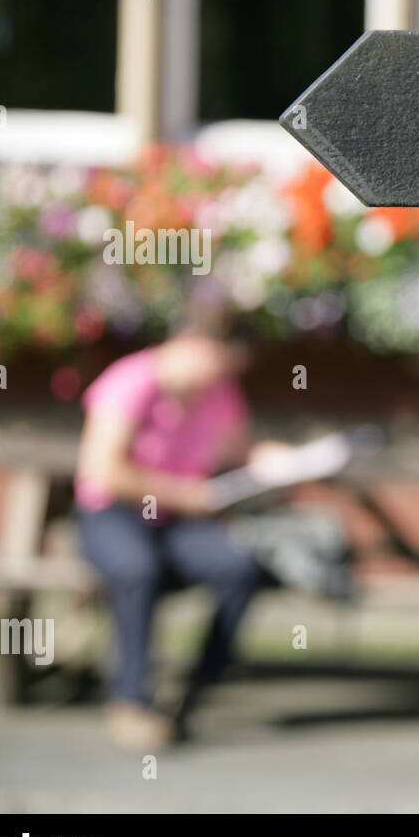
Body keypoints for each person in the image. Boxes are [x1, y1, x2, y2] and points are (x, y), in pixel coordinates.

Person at [74, 313, 275, 749]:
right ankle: (130, 698)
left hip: (177, 521)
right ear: (194, 341)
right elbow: (101, 469)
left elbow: (240, 454)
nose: (222, 377)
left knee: (241, 565)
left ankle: (196, 686)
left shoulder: (217, 391)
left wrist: (282, 461)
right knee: (136, 568)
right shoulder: (130, 382)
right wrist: (185, 494)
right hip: (115, 513)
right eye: (220, 364)